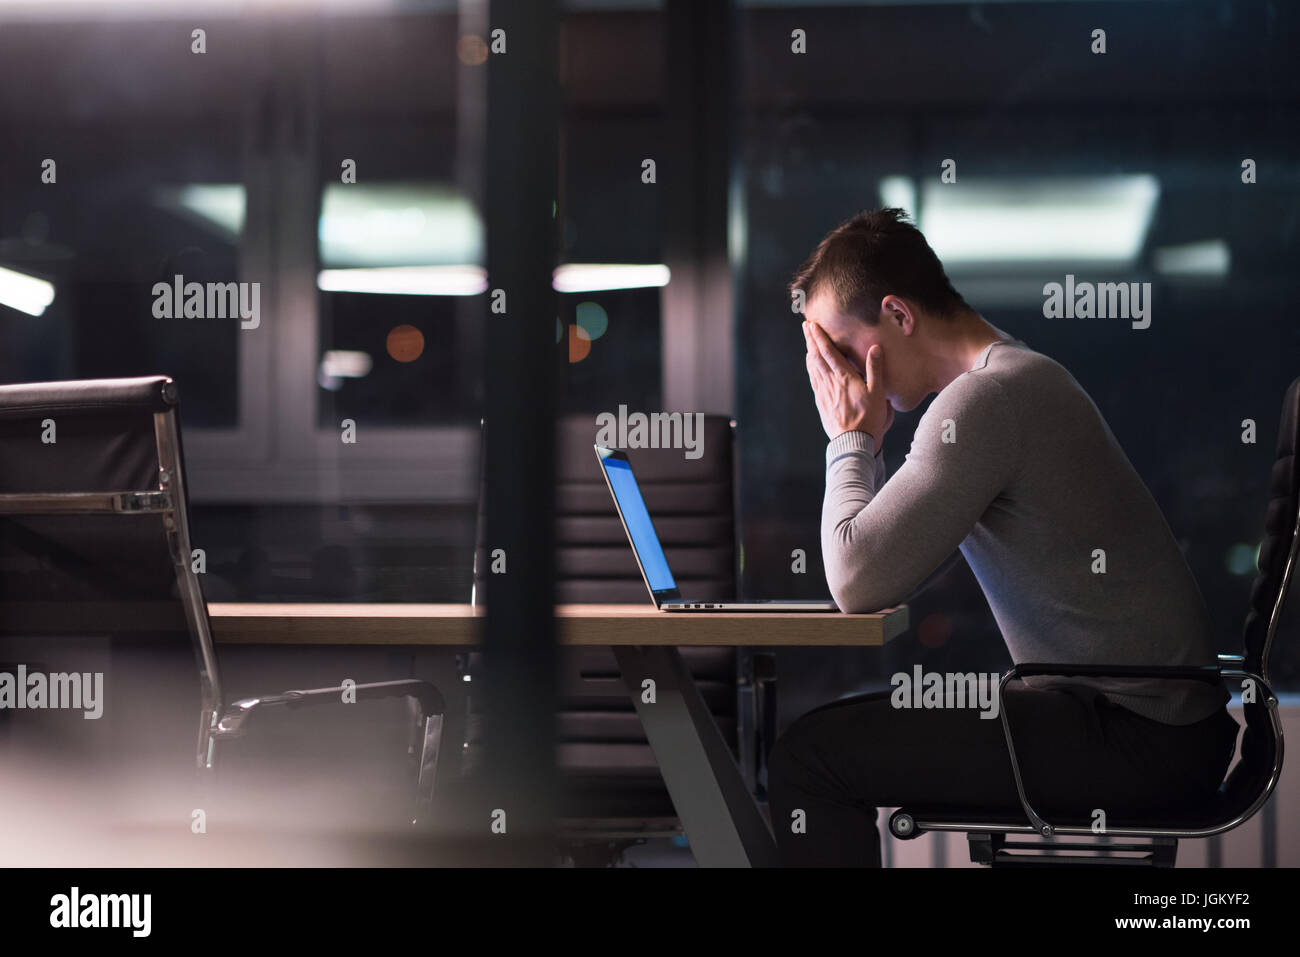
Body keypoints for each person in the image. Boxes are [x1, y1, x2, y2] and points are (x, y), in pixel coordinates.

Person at [767, 207, 1239, 867]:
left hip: (1135, 739)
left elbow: (855, 579)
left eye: (841, 351)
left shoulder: (985, 401)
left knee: (810, 758)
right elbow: (870, 556)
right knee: (838, 730)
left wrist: (850, 438)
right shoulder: (1011, 378)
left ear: (899, 316)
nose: (841, 378)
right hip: (1154, 727)